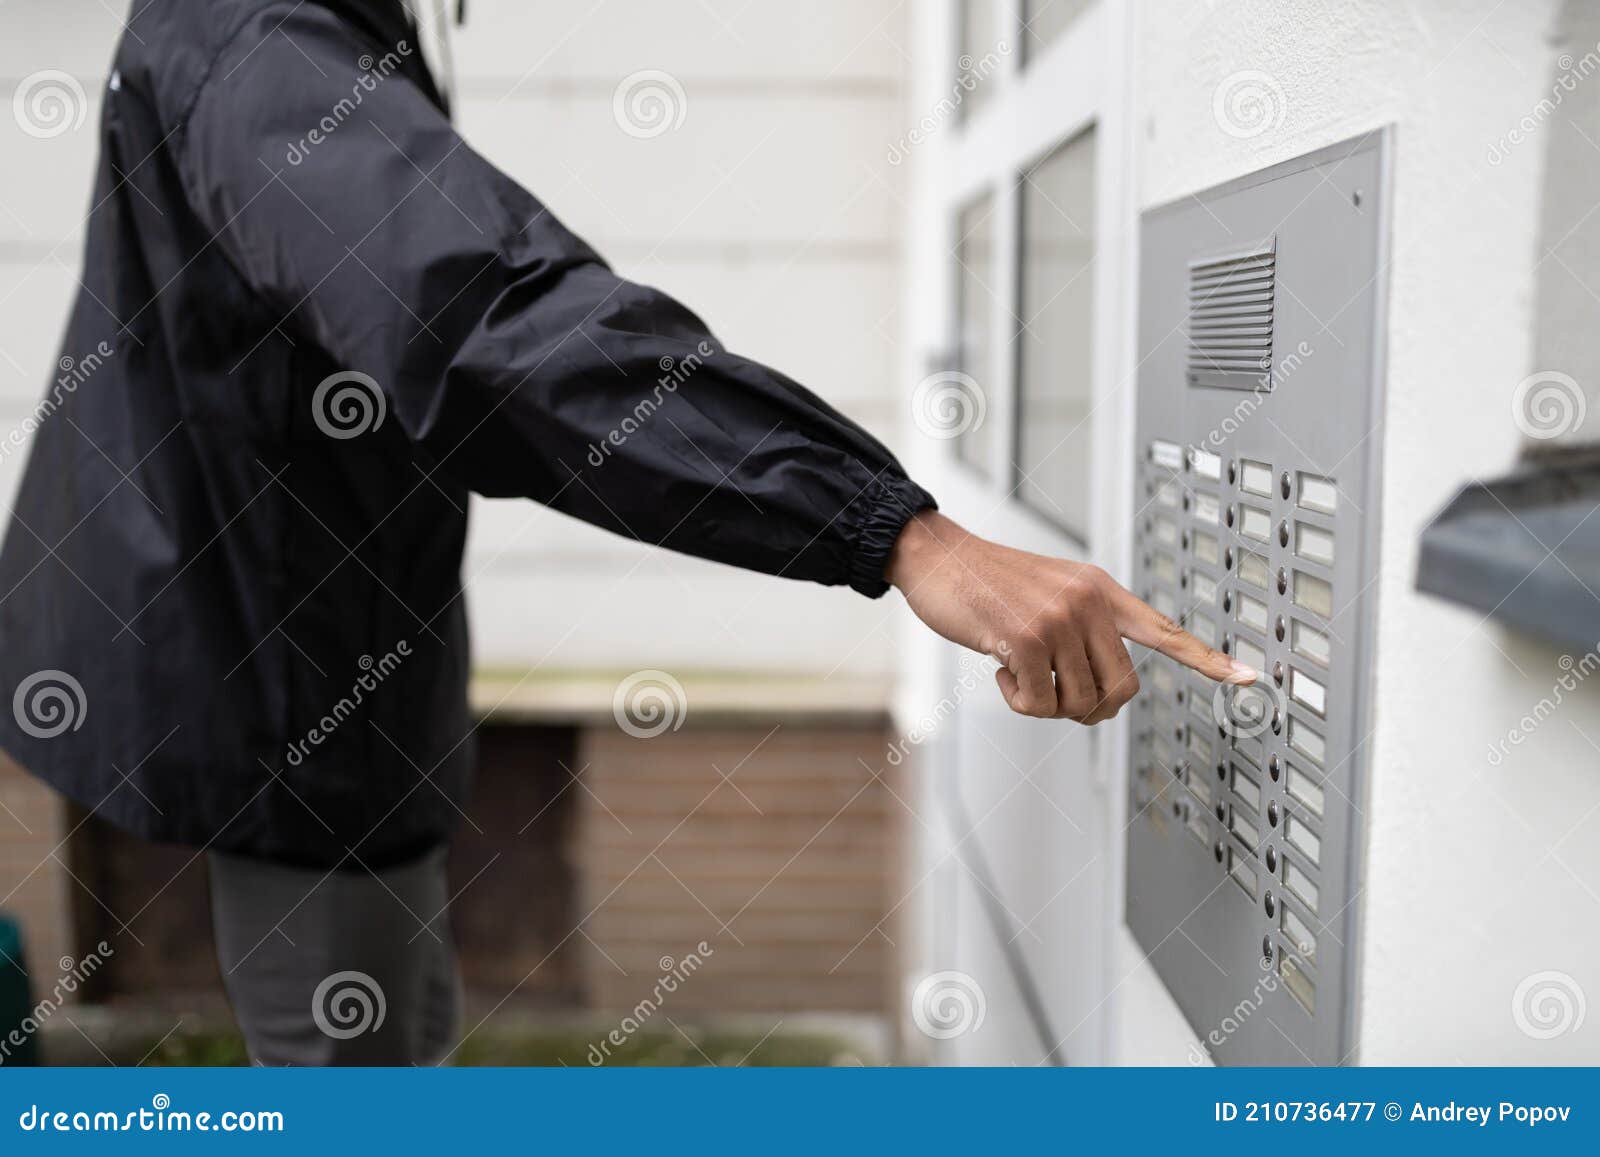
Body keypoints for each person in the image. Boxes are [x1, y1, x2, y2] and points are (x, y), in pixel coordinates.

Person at [0, 0, 1252, 1065]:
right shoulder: (262, 39)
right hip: (282, 675)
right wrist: (895, 534)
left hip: (305, 640)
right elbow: (485, 322)